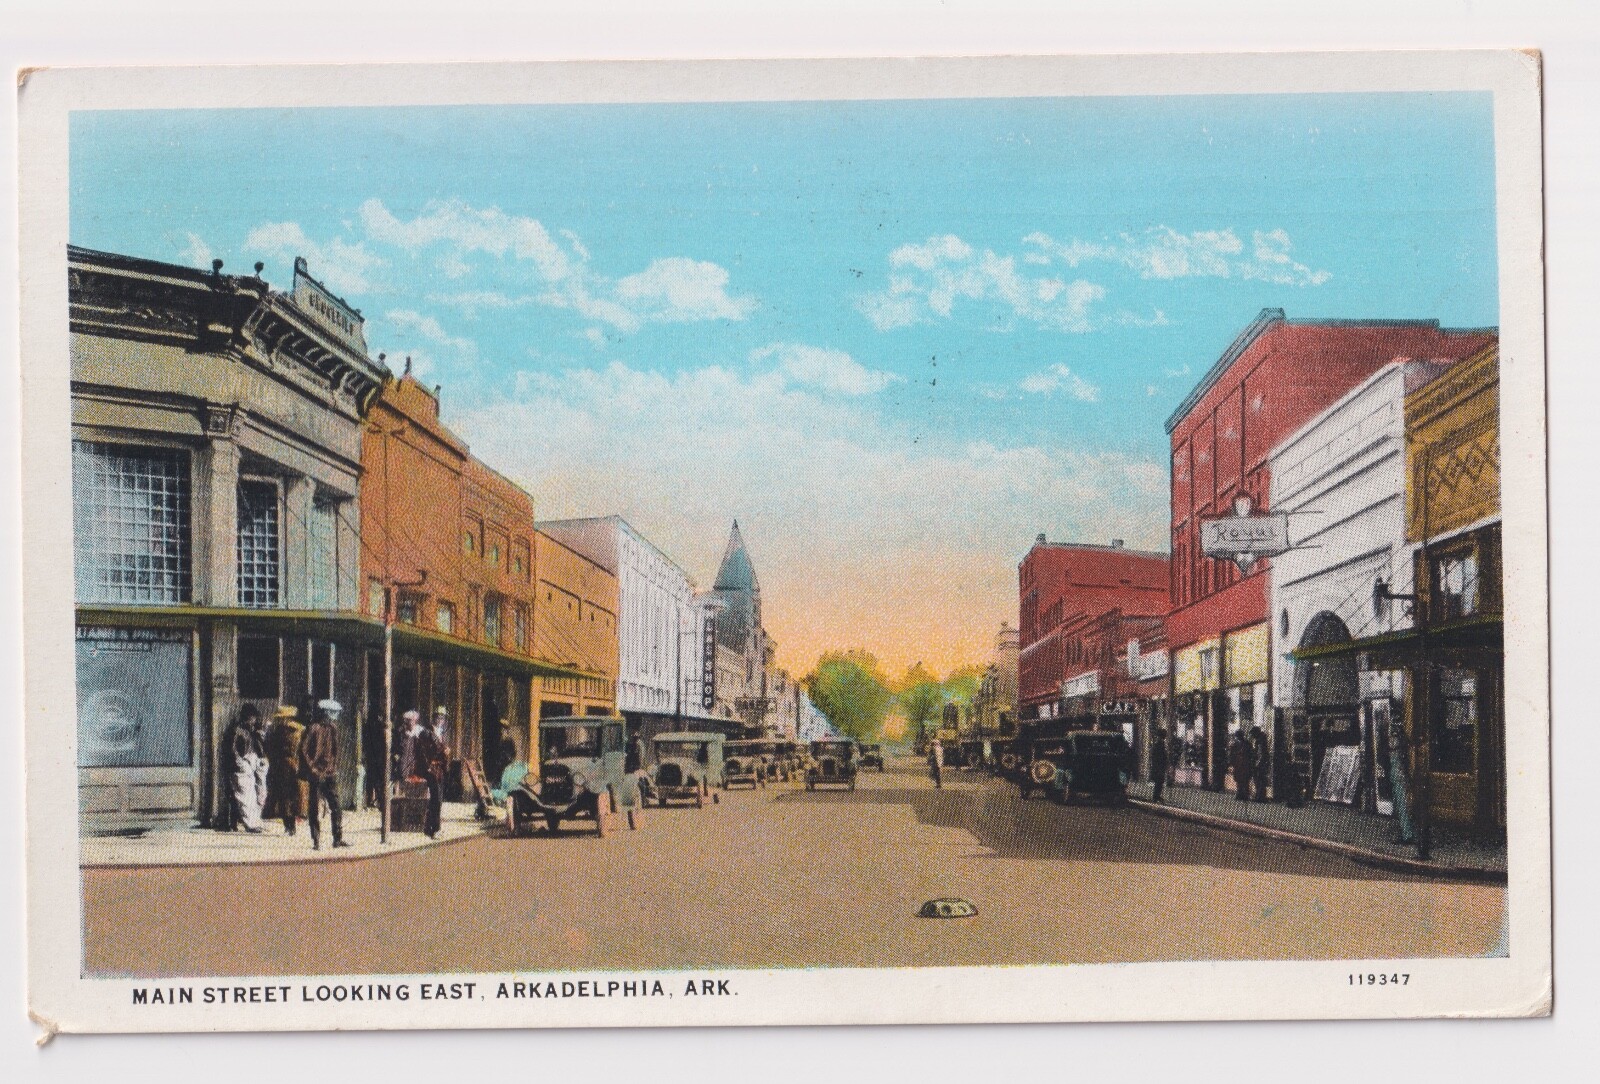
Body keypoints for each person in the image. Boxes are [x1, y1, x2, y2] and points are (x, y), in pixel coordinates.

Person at [300, 699, 350, 850]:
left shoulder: (333, 728)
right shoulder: (313, 728)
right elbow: (303, 750)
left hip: (329, 773)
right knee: (314, 808)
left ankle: (337, 839)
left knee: (336, 806)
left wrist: (333, 767)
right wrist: (312, 768)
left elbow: (335, 750)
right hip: (316, 774)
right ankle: (316, 840)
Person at [263, 705, 306, 835]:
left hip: (284, 766)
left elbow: (268, 748)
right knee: (289, 796)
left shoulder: (277, 731)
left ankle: (290, 825)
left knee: (287, 796)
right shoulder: (298, 730)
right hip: (290, 766)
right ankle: (290, 825)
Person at [415, 706, 452, 839]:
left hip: (440, 769)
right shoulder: (427, 733)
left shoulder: (441, 733)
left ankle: (431, 827)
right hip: (432, 769)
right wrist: (428, 767)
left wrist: (446, 751)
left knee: (438, 800)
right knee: (436, 799)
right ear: (434, 718)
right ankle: (434, 829)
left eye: (443, 718)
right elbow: (422, 752)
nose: (440, 720)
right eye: (438, 717)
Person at [228, 705, 266, 833]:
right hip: (241, 766)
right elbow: (232, 750)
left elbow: (258, 749)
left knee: (253, 795)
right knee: (245, 795)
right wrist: (240, 763)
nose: (253, 721)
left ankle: (254, 822)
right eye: (252, 718)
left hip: (250, 765)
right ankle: (250, 824)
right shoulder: (237, 731)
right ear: (247, 718)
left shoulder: (251, 731)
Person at [393, 710, 423, 784]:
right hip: (404, 759)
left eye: (411, 720)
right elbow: (396, 745)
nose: (410, 723)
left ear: (415, 720)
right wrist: (397, 756)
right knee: (402, 776)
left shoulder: (420, 731)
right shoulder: (401, 731)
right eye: (407, 720)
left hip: (415, 758)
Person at [1228, 729, 1254, 802]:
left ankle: (1244, 794)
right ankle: (1240, 794)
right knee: (1240, 780)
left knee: (1244, 780)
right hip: (1239, 765)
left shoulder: (1245, 744)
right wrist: (1232, 763)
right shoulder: (1237, 744)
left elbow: (1250, 754)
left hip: (1243, 764)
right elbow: (1231, 755)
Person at [1250, 725, 1271, 803]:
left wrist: (1257, 764)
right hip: (1262, 763)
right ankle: (1260, 796)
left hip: (1260, 763)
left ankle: (1260, 797)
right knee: (1261, 780)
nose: (1252, 736)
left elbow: (1260, 753)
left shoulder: (1259, 741)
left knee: (1259, 780)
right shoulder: (1262, 739)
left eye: (1253, 734)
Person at [1149, 726, 1170, 803]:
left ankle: (1157, 796)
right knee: (1159, 781)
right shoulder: (1159, 744)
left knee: (1159, 782)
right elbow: (1158, 756)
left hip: (1159, 766)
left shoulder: (1159, 743)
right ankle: (1155, 797)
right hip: (1159, 766)